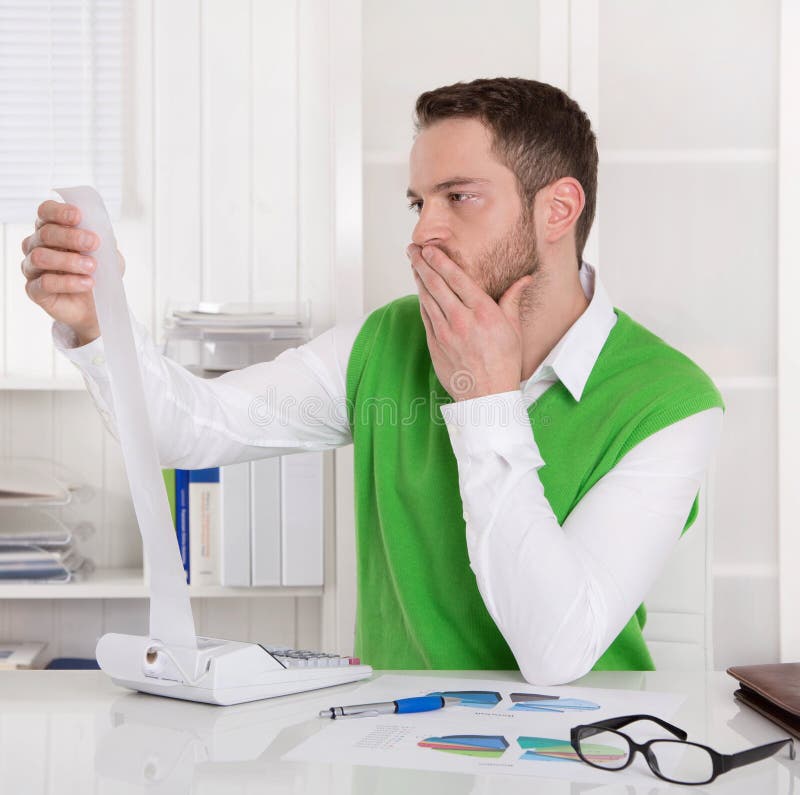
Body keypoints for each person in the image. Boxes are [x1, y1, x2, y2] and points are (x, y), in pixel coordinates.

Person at [20, 77, 723, 685]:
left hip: (583, 755)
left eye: (460, 197)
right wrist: (95, 322)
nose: (423, 235)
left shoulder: (671, 402)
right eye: (420, 203)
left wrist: (486, 401)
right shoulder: (385, 341)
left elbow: (556, 648)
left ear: (558, 210)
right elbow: (185, 426)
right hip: (401, 750)